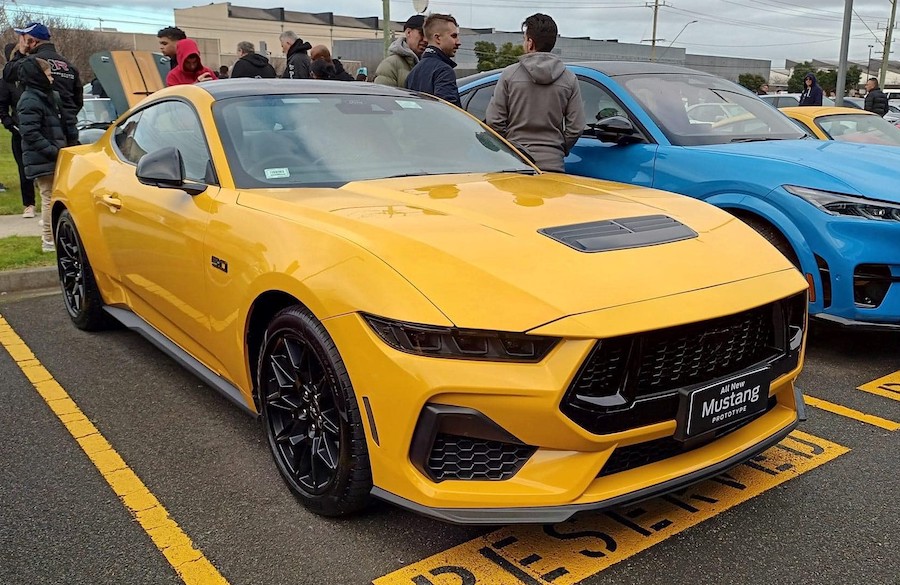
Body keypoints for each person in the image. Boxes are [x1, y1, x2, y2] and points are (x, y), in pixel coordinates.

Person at [485, 13, 584, 173]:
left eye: (525, 39)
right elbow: (576, 127)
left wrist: (510, 147)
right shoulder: (569, 79)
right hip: (553, 164)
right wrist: (558, 148)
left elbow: (494, 120)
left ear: (530, 43)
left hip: (515, 163)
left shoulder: (510, 74)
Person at [16, 57, 77, 252]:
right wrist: (54, 152)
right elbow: (30, 133)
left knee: (56, 197)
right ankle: (48, 239)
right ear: (37, 76)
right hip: (44, 158)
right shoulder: (29, 101)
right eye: (48, 75)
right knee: (49, 197)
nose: (52, 79)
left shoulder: (49, 96)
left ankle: (56, 235)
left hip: (57, 154)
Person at [8, 22, 82, 121]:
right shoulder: (69, 66)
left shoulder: (30, 63)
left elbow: (8, 74)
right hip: (67, 127)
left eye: (23, 38)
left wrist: (20, 53)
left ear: (32, 41)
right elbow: (78, 101)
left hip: (39, 125)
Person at [0, 41, 36, 218]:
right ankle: (29, 204)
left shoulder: (34, 77)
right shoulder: (7, 82)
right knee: (24, 168)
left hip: (38, 128)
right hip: (19, 130)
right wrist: (9, 124)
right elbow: (2, 106)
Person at [405, 14, 462, 106]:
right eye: (454, 36)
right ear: (437, 38)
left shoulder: (413, 72)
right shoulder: (443, 70)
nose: (458, 42)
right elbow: (448, 112)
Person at [374, 14, 427, 87]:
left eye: (428, 35)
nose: (425, 40)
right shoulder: (390, 65)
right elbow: (383, 96)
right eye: (422, 33)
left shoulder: (433, 64)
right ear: (408, 32)